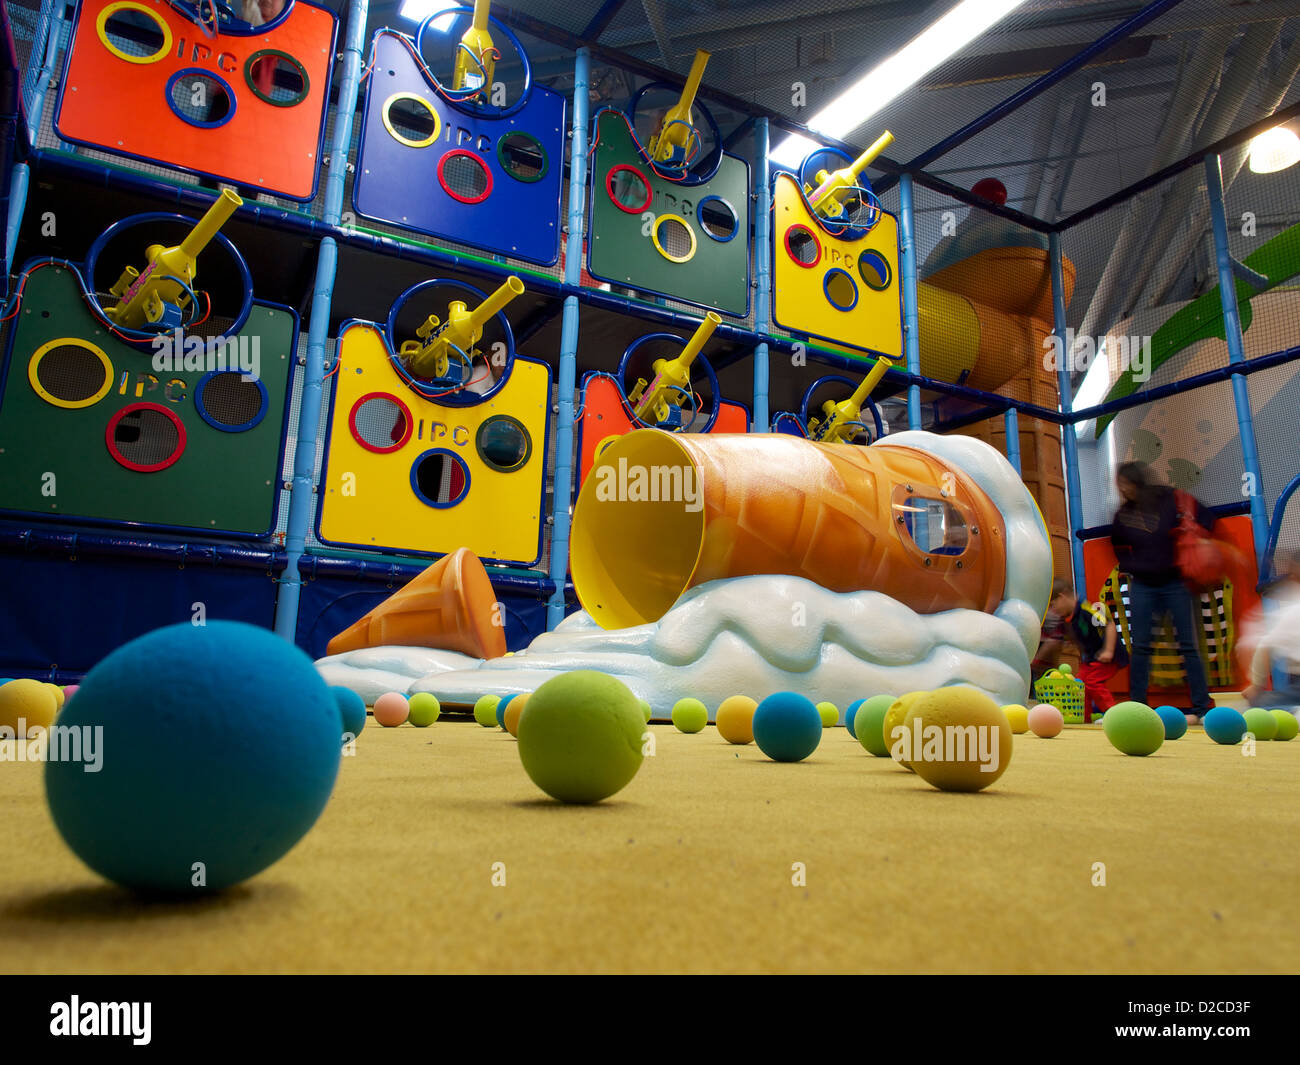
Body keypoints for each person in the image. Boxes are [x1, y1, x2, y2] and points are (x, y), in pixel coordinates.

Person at [1110, 461, 1215, 720]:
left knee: (1189, 646)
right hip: (1143, 584)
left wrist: (1190, 545)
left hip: (1176, 582)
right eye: (1119, 484)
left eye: (1125, 482)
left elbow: (1206, 518)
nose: (1122, 488)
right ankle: (1139, 708)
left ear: (1137, 480)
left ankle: (1202, 707)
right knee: (1142, 646)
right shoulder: (1123, 514)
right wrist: (1134, 567)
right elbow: (1119, 547)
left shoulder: (1169, 498)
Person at [1043, 580, 1128, 722]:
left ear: (1062, 597)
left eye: (1053, 605)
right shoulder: (1069, 617)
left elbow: (1109, 625)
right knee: (1079, 683)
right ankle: (1084, 717)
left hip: (1107, 656)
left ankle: (1114, 715)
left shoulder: (1087, 609)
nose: (1053, 610)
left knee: (1092, 682)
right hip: (1092, 658)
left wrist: (1108, 650)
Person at [1242, 548, 1300, 712]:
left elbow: (1265, 648)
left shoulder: (1292, 611)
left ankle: (1294, 713)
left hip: (1297, 687)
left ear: (1293, 578)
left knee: (1257, 707)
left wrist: (1256, 685)